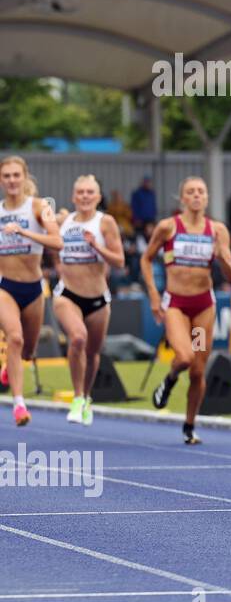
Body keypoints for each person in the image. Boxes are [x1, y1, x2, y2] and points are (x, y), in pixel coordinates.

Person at [142, 177, 231, 444]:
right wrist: (153, 294)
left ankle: (189, 425)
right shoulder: (168, 227)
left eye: (201, 192)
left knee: (197, 369)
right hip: (176, 305)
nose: (196, 196)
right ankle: (170, 379)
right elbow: (145, 258)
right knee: (184, 357)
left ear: (207, 198)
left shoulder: (217, 230)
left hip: (203, 307)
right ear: (182, 198)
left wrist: (222, 255)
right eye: (190, 192)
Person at [52, 175, 125, 426]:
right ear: (73, 197)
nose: (84, 196)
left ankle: (87, 397)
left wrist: (97, 247)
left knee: (93, 353)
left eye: (89, 192)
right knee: (78, 338)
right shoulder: (64, 221)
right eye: (80, 192)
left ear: (98, 197)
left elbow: (119, 261)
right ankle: (77, 397)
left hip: (97, 298)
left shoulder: (106, 223)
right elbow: (49, 241)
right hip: (67, 295)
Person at [0, 157, 62, 426]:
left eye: (16, 175)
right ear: (1, 180)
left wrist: (25, 232)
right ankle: (19, 406)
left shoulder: (40, 207)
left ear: (25, 177)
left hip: (34, 287)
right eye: (7, 176)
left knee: (27, 350)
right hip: (5, 287)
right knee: (14, 338)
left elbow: (57, 241)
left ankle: (8, 370)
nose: (12, 180)